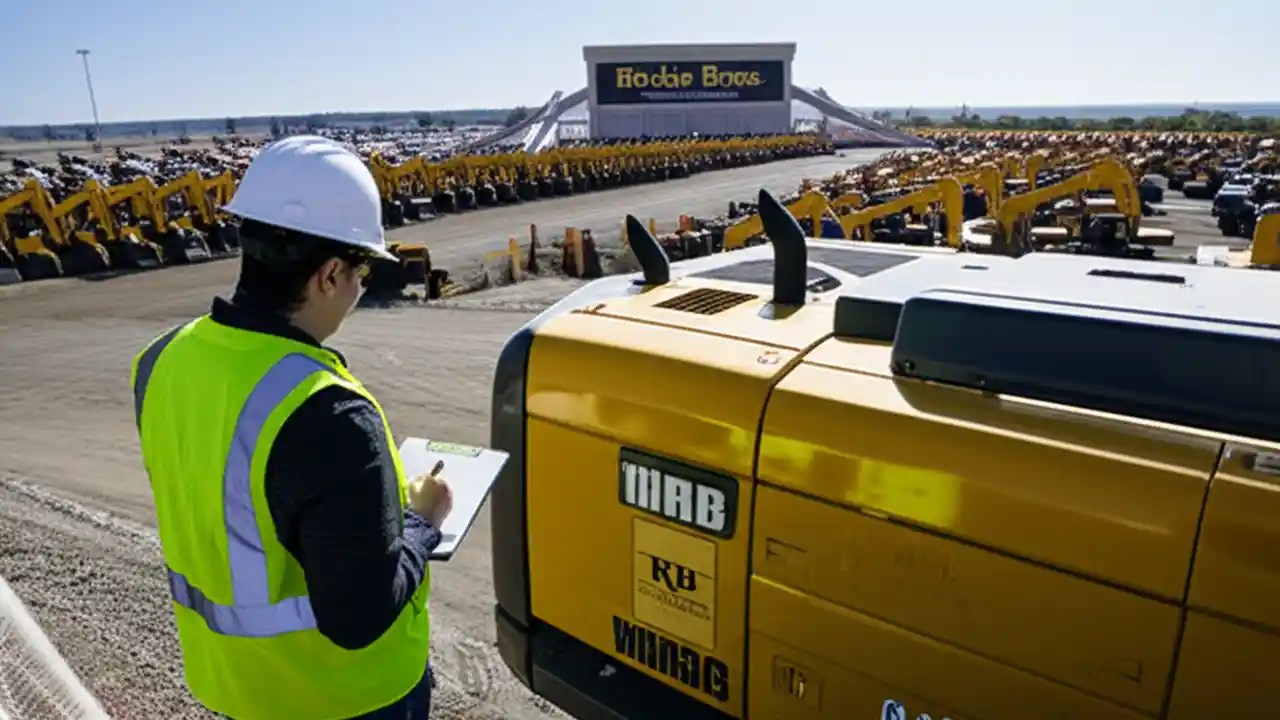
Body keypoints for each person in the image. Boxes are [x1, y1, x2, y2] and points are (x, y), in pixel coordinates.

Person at [130, 135, 452, 720]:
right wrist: (421, 522)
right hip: (344, 699)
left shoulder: (160, 361)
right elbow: (358, 616)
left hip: (233, 685)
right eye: (360, 274)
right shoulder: (330, 415)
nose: (359, 291)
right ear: (329, 274)